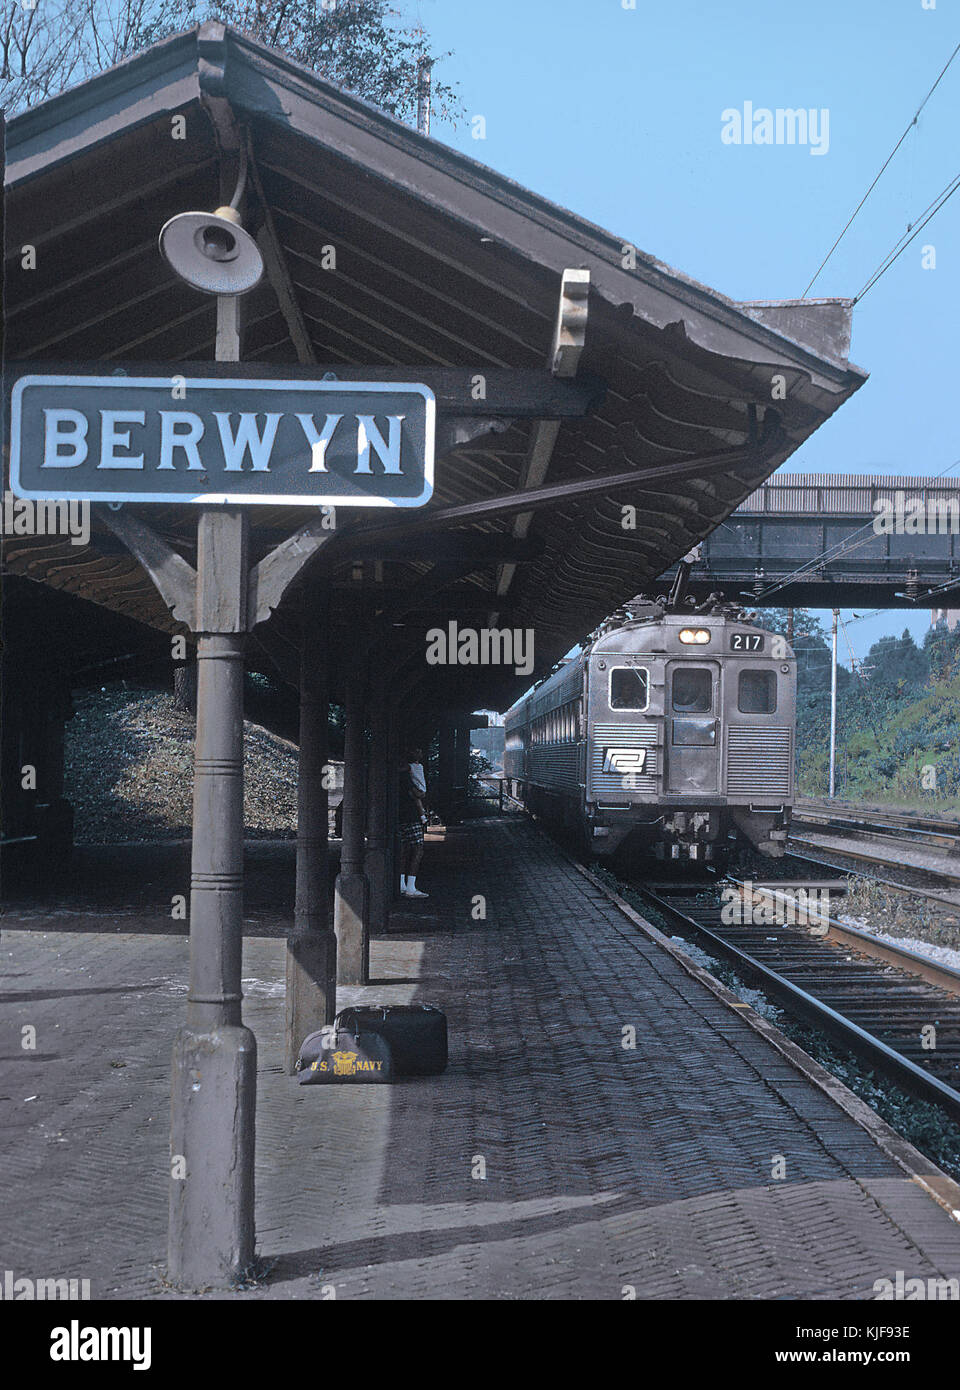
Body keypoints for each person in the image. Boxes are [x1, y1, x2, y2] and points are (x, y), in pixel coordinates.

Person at [398, 746, 429, 898]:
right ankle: (411, 887)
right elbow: (418, 793)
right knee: (418, 849)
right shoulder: (408, 775)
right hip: (411, 815)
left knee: (404, 850)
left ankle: (401, 884)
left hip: (401, 815)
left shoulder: (399, 773)